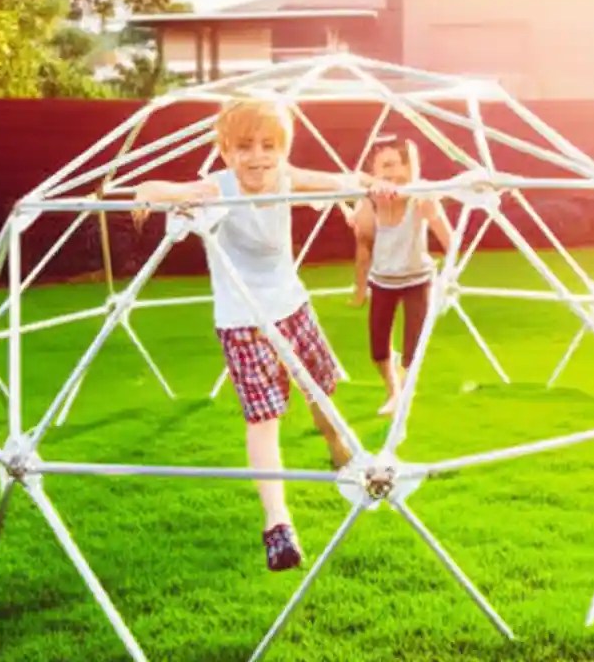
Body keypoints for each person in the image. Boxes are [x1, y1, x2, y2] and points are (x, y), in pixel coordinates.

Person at [130, 97, 396, 572]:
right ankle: (277, 523)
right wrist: (147, 191)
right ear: (225, 151)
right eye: (244, 146)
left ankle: (336, 447)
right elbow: (171, 189)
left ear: (283, 149)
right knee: (263, 418)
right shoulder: (219, 186)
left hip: (292, 306)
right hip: (243, 321)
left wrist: (368, 185)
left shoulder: (285, 176)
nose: (257, 156)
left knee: (321, 391)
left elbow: (335, 180)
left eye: (269, 145)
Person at [350, 135, 454, 416]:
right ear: (374, 171)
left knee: (413, 349)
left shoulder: (420, 197)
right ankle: (393, 390)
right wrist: (359, 289)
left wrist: (450, 276)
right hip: (383, 281)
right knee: (378, 350)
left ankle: (404, 395)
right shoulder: (369, 202)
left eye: (396, 164)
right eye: (384, 166)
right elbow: (364, 246)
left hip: (418, 280)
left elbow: (450, 240)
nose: (392, 173)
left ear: (409, 168)